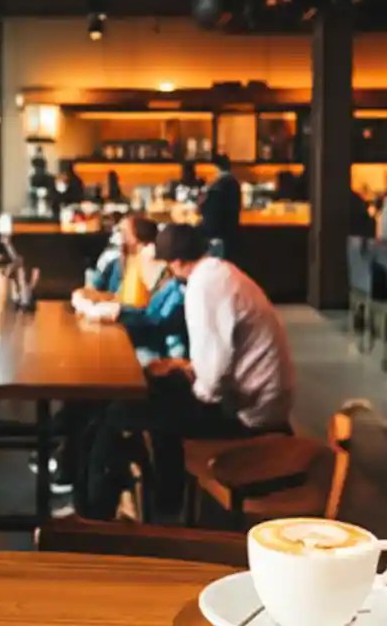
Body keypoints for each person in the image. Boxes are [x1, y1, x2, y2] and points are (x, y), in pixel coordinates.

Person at [81, 224, 296, 519]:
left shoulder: (202, 287)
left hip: (247, 414)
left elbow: (213, 378)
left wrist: (187, 379)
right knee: (152, 396)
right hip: (259, 401)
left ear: (177, 263)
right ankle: (163, 505)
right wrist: (184, 370)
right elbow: (223, 356)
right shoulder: (221, 273)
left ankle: (97, 516)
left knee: (121, 411)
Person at [77, 214, 160, 308]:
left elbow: (134, 302)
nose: (119, 237)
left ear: (138, 237)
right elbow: (93, 288)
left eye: (124, 232)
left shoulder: (152, 265)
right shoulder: (112, 262)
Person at [197, 155, 242, 263]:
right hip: (229, 233)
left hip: (217, 235)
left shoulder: (218, 187)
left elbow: (211, 212)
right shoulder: (233, 183)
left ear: (215, 168)